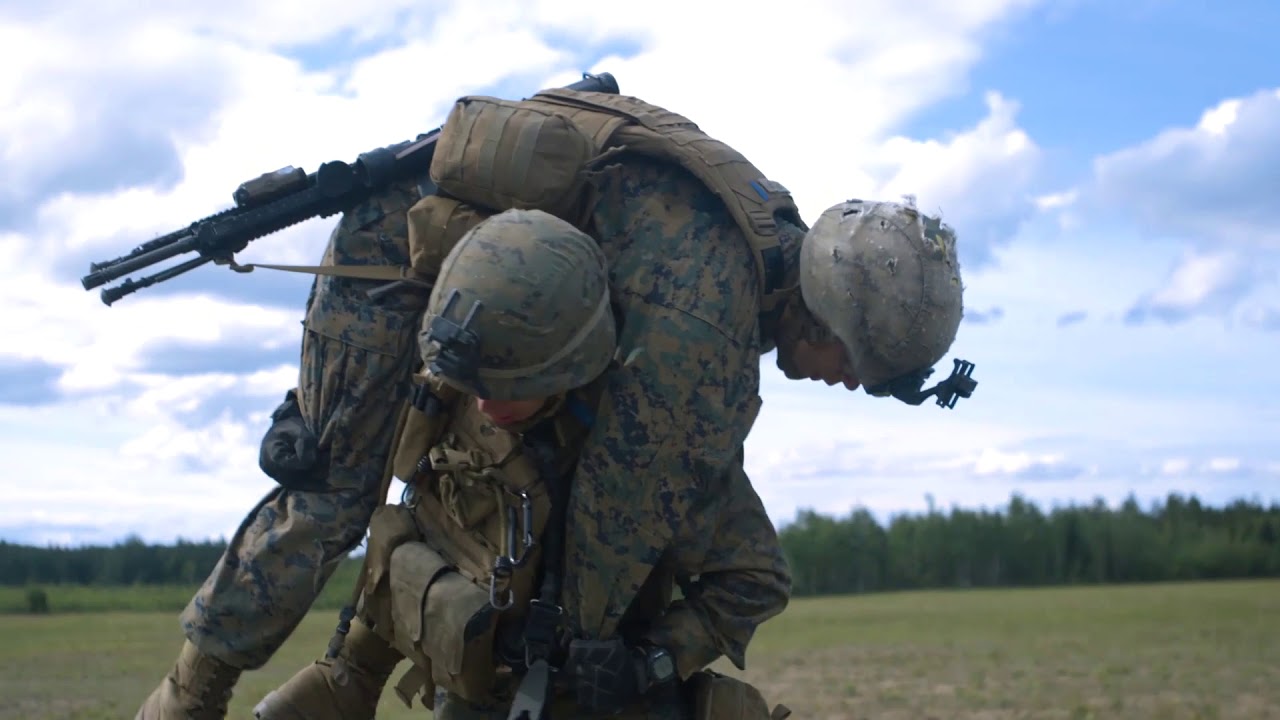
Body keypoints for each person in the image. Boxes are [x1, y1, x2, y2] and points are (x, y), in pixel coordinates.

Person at [135, 82, 970, 719]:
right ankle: (186, 700)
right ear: (820, 310)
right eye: (855, 361)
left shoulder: (760, 228)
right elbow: (618, 517)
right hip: (399, 265)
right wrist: (581, 659)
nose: (849, 382)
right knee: (327, 497)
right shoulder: (700, 330)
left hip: (484, 285)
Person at [250, 206, 793, 720]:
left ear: (570, 362)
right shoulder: (453, 378)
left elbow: (754, 579)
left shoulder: (654, 449)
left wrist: (650, 659)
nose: (485, 404)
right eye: (476, 385)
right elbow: (364, 407)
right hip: (467, 686)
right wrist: (300, 415)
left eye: (510, 385)